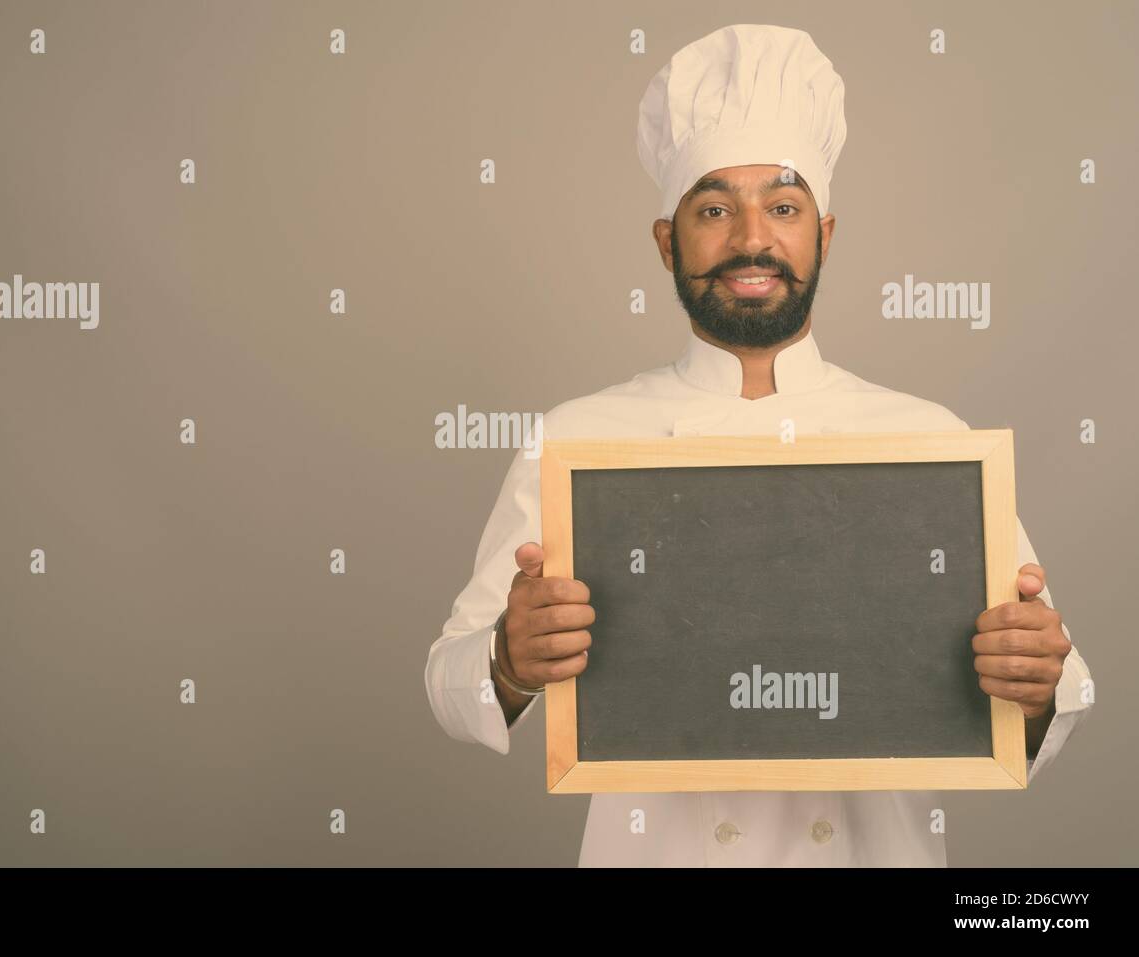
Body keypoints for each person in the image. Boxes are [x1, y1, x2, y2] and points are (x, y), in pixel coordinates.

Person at [423, 23, 1093, 866]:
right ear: (668, 241)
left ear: (825, 235)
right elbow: (451, 679)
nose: (750, 238)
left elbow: (1054, 696)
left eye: (782, 206)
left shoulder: (928, 443)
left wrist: (1034, 680)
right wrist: (511, 662)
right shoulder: (577, 440)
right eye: (713, 208)